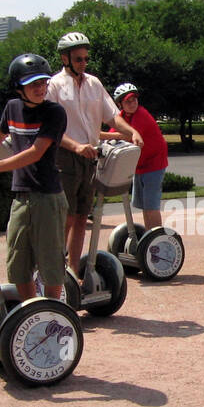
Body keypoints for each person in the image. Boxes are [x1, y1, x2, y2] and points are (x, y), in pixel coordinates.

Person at [0, 54, 68, 302]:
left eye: (43, 83)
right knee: (18, 263)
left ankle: (52, 313)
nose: (40, 89)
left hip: (48, 197)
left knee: (51, 264)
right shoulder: (12, 108)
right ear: (19, 87)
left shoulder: (54, 113)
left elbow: (35, 153)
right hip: (21, 197)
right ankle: (30, 309)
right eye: (33, 84)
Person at [47, 31, 142, 273]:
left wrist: (131, 132)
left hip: (90, 158)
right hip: (65, 157)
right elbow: (50, 128)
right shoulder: (54, 86)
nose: (84, 63)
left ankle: (73, 269)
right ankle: (54, 270)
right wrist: (76, 145)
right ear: (65, 58)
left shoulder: (94, 83)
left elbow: (112, 116)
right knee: (65, 218)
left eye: (86, 59)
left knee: (81, 217)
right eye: (79, 59)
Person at [102, 83, 168, 229]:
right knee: (145, 205)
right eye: (128, 101)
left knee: (151, 206)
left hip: (154, 164)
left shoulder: (141, 115)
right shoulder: (122, 117)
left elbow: (126, 136)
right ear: (120, 104)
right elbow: (113, 133)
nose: (132, 104)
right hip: (139, 166)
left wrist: (96, 134)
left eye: (134, 100)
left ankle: (156, 237)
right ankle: (149, 235)